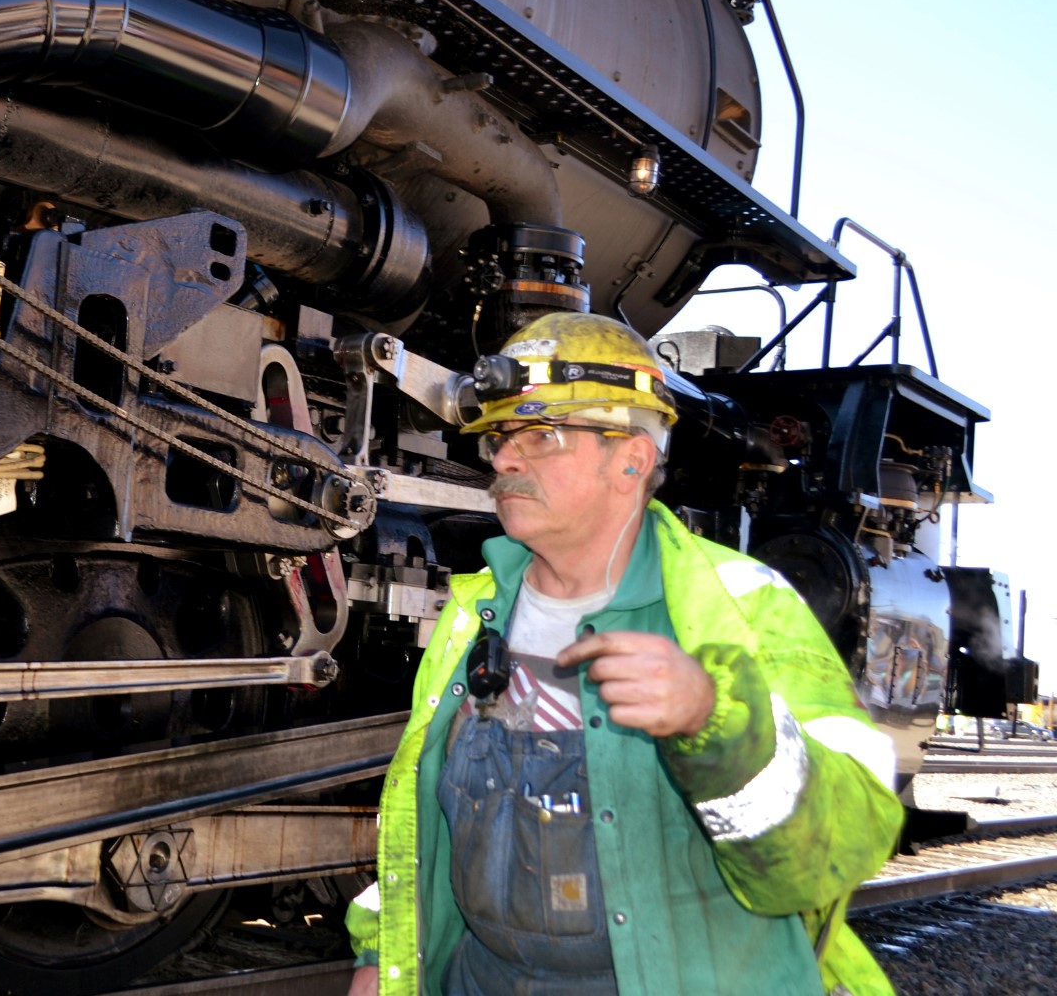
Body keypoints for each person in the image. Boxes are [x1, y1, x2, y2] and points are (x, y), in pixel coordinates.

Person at [344, 312, 903, 995]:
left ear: (631, 459)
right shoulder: (473, 613)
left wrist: (715, 722)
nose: (504, 458)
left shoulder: (741, 605)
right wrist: (379, 957)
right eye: (499, 434)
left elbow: (845, 846)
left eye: (540, 434)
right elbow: (425, 817)